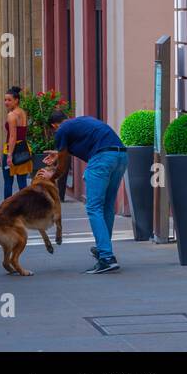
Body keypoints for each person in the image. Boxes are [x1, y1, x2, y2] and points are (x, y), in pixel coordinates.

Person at [45, 111, 128, 274]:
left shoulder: (61, 130)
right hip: (121, 156)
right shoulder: (82, 121)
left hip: (102, 159)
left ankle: (106, 257)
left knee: (94, 207)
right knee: (107, 206)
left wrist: (51, 176)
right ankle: (104, 249)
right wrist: (59, 154)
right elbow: (72, 151)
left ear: (55, 125)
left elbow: (63, 166)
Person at [2, 86, 32, 199]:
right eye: (5, 100)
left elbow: (13, 136)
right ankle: (26, 207)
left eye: (9, 100)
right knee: (22, 182)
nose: (6, 102)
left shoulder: (12, 115)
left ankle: (7, 208)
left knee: (8, 182)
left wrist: (9, 155)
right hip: (24, 149)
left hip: (12, 149)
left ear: (16, 100)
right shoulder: (22, 112)